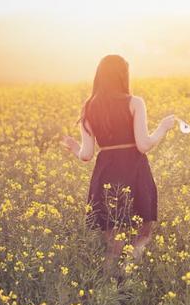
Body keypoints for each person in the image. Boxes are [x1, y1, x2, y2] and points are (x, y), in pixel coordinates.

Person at [61, 54, 176, 268]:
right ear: (123, 75)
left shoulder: (88, 107)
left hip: (106, 172)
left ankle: (112, 285)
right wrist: (163, 127)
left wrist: (74, 147)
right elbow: (144, 144)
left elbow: (86, 155)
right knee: (143, 232)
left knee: (113, 242)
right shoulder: (134, 102)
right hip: (133, 170)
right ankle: (129, 276)